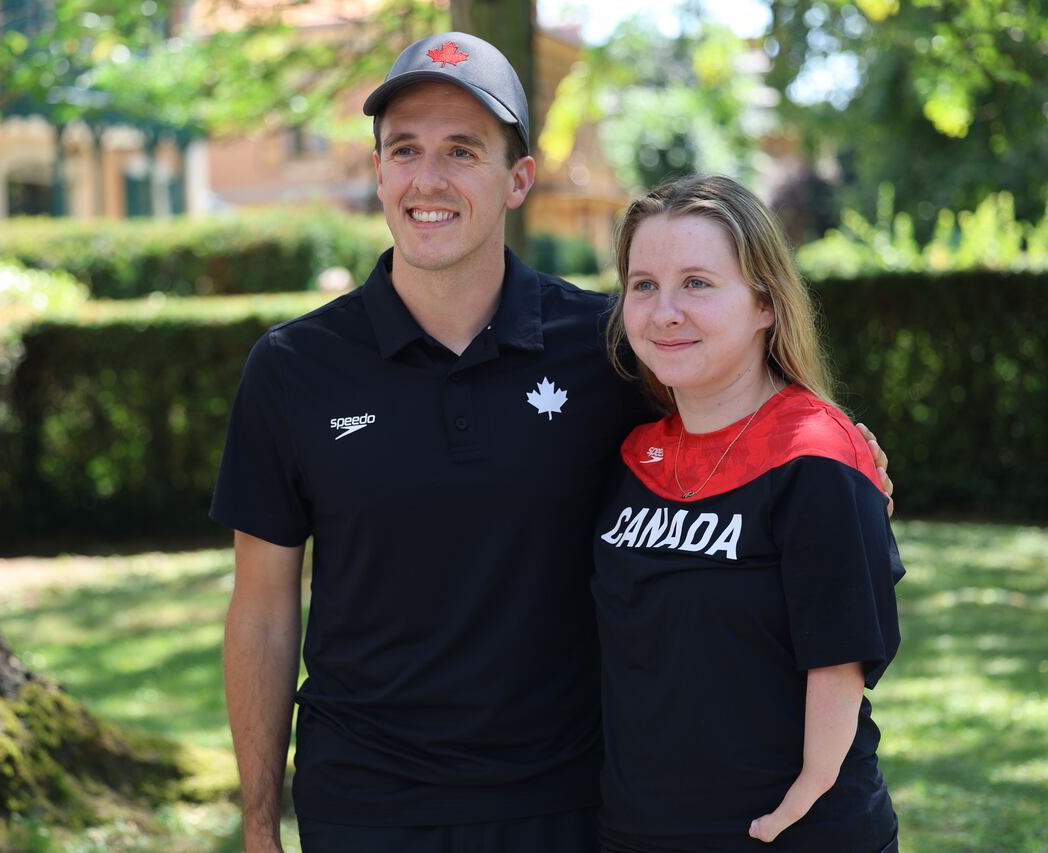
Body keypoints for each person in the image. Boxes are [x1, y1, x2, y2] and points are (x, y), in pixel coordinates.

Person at [213, 33, 892, 853]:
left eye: (463, 150)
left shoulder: (607, 347)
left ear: (519, 179)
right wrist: (259, 825)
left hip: (569, 802)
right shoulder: (292, 368)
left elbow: (743, 417)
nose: (429, 178)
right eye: (405, 149)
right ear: (379, 170)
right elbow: (262, 612)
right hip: (365, 805)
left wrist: (843, 457)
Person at [593, 175, 902, 852]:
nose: (665, 311)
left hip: (785, 832)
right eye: (643, 285)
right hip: (636, 831)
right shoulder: (632, 455)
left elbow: (842, 648)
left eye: (697, 283)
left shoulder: (816, 453)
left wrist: (809, 789)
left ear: (765, 302)